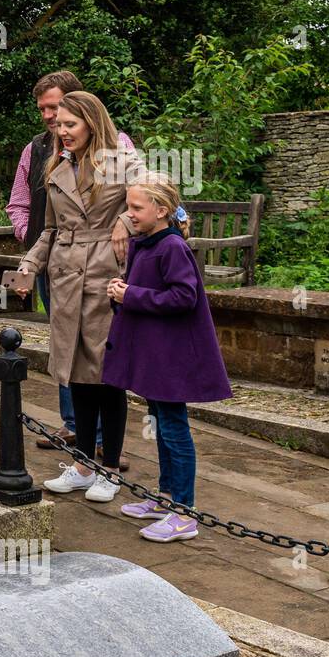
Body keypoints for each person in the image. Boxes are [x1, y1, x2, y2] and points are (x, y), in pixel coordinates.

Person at [16, 91, 146, 502]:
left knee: (106, 377)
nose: (62, 131)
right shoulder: (58, 167)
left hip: (107, 275)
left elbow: (162, 199)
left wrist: (125, 218)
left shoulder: (120, 162)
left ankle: (110, 470)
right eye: (59, 125)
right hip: (66, 277)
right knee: (76, 375)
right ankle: (81, 464)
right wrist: (28, 265)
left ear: (92, 122)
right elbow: (51, 231)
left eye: (70, 124)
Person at [104, 173, 232, 542]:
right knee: (161, 424)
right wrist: (123, 292)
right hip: (154, 353)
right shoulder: (149, 241)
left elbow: (183, 297)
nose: (129, 214)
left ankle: (184, 512)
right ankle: (165, 497)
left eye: (136, 208)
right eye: (128, 207)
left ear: (161, 210)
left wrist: (131, 295)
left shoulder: (172, 247)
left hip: (171, 358)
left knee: (175, 429)